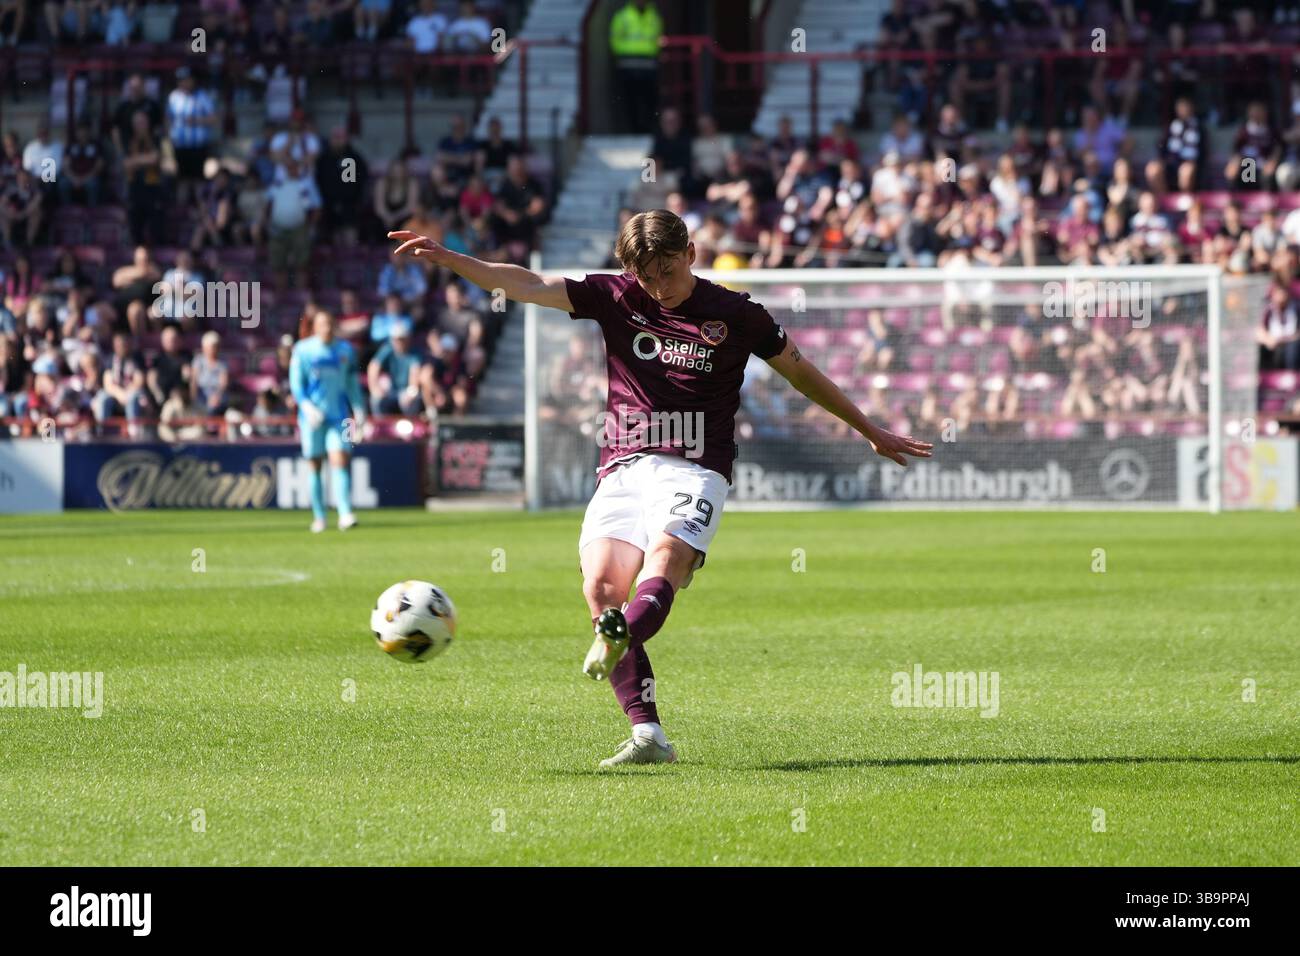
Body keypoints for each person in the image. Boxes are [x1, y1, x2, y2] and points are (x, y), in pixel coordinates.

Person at [389, 210, 932, 767]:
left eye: (667, 272)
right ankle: (648, 735)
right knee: (601, 589)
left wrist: (871, 429)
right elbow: (526, 283)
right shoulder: (615, 295)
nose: (658, 287)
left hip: (696, 466)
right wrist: (453, 260)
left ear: (691, 254)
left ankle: (617, 636)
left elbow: (800, 371)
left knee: (667, 557)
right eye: (646, 277)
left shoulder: (736, 314)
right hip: (621, 465)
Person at [290, 310, 366, 533]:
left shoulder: (346, 350)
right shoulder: (302, 350)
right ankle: (319, 516)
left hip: (341, 416)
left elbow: (352, 383)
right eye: (322, 323)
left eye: (330, 323)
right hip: (311, 418)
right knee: (315, 464)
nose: (326, 328)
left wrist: (359, 411)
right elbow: (296, 384)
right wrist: (306, 406)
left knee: (340, 460)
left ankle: (345, 513)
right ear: (315, 327)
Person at [609, 0, 662, 133]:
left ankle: (649, 128)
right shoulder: (622, 16)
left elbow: (658, 38)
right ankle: (634, 129)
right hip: (628, 64)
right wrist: (627, 52)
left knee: (650, 100)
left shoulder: (654, 16)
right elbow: (614, 40)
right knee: (630, 100)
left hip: (648, 65)